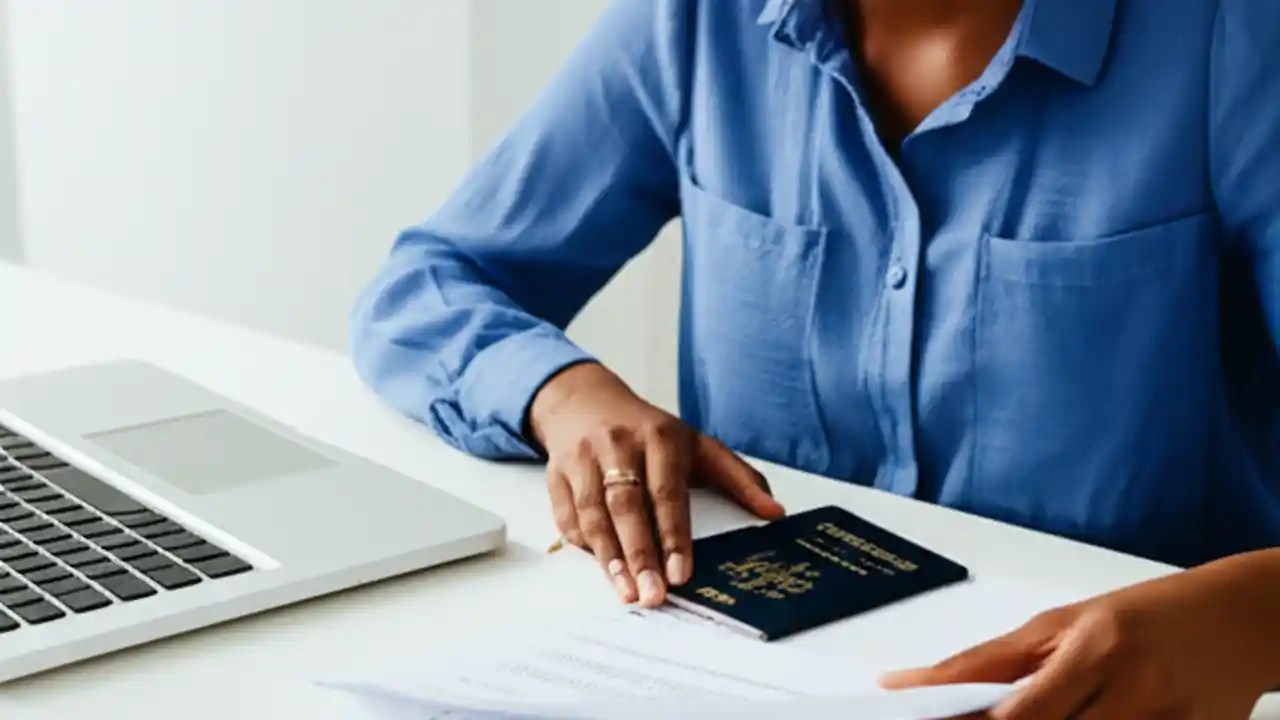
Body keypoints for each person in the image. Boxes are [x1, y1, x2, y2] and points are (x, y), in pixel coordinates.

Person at [350, 0, 1280, 716]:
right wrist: (564, 395)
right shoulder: (698, 24)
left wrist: (1249, 619)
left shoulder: (1234, 38)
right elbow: (431, 284)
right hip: (743, 676)